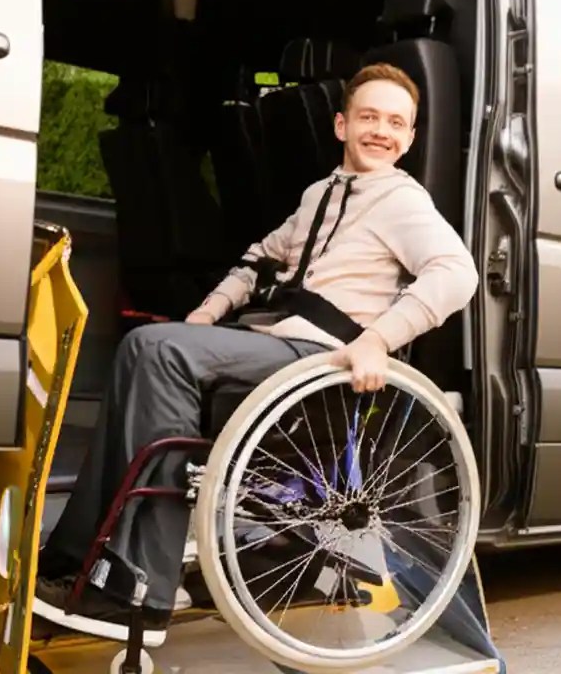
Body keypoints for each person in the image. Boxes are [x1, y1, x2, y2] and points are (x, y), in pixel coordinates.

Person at [32, 62, 479, 637]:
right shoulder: (320, 193)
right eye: (369, 116)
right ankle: (78, 556)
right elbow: (256, 258)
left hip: (320, 362)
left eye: (397, 123)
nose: (381, 131)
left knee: (158, 350)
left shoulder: (403, 201)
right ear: (342, 125)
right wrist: (206, 313)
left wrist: (378, 339)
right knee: (141, 349)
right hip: (272, 342)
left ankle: (140, 586)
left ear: (410, 138)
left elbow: (455, 272)